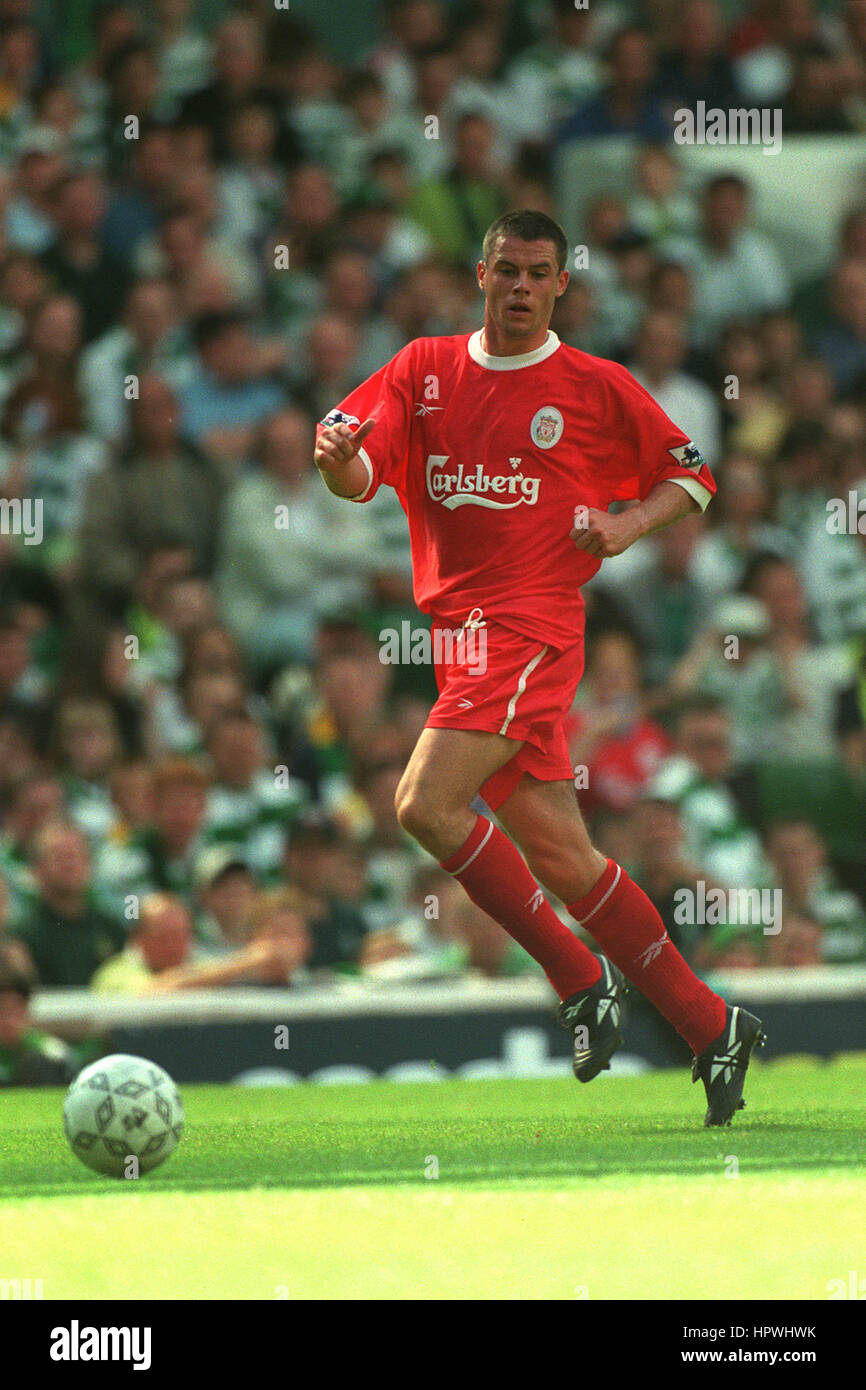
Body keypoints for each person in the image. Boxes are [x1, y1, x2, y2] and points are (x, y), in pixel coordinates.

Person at [314, 207, 764, 1126]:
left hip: (531, 628)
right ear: (481, 275)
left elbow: (693, 472)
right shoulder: (421, 370)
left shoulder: (595, 387)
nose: (520, 286)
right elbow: (360, 472)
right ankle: (711, 1023)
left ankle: (576, 977)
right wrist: (336, 463)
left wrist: (628, 525)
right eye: (506, 269)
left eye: (538, 273)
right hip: (459, 642)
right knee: (564, 857)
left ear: (562, 286)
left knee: (422, 805)